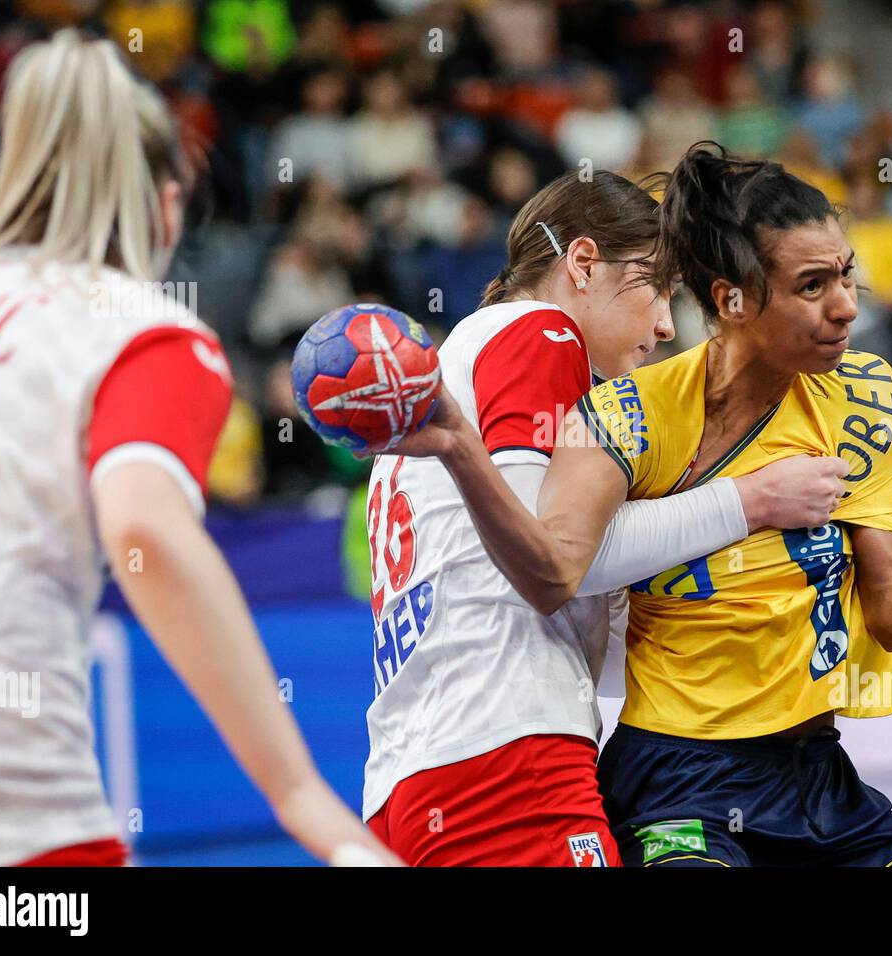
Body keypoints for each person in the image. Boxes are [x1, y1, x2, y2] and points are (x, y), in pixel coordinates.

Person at [397, 143, 892, 866]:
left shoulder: (863, 397)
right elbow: (559, 559)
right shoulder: (624, 412)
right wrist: (749, 501)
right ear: (731, 299)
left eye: (846, 276)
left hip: (815, 770)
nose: (846, 308)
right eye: (811, 286)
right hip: (673, 778)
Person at [0, 30, 392, 867]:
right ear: (160, 204)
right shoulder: (142, 332)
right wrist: (304, 798)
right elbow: (144, 530)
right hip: (6, 817)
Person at [358, 169, 847, 866]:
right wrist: (754, 499)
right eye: (654, 286)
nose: (663, 325)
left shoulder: (458, 363)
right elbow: (556, 557)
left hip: (410, 778)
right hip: (507, 756)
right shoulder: (540, 332)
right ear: (583, 264)